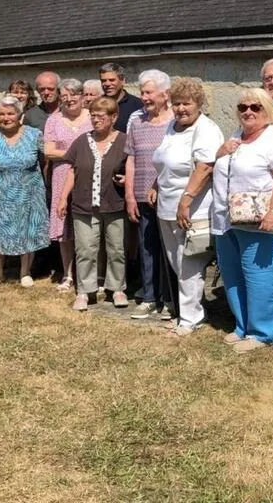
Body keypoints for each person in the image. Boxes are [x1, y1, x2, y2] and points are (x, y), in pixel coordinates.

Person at [211, 88, 273, 353]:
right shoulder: (236, 135)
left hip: (262, 223)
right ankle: (242, 326)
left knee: (261, 279)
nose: (248, 111)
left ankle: (262, 333)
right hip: (228, 220)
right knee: (234, 276)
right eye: (243, 107)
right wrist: (220, 151)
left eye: (255, 107)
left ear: (267, 110)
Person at [149, 77, 224, 337]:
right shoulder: (172, 126)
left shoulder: (206, 129)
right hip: (167, 206)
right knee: (176, 263)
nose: (181, 108)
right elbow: (165, 161)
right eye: (177, 103)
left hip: (192, 209)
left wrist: (186, 200)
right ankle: (187, 312)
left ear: (199, 103)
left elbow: (205, 166)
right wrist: (156, 185)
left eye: (187, 104)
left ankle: (190, 319)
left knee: (188, 265)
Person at [58, 97, 130, 310]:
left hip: (114, 204)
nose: (96, 120)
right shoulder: (82, 141)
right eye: (93, 116)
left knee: (116, 249)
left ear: (114, 117)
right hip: (84, 205)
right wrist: (63, 198)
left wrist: (126, 179)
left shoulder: (125, 140)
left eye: (101, 116)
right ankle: (84, 291)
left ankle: (116, 289)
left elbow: (133, 168)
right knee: (86, 250)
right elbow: (72, 170)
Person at [0, 96, 50, 288]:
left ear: (20, 116)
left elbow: (44, 161)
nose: (6, 118)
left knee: (27, 230)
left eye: (10, 113)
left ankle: (25, 272)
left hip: (29, 193)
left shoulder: (34, 135)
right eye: (2, 114)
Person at [126, 69, 175, 320]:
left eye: (148, 92)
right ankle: (148, 297)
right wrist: (130, 196)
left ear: (164, 94)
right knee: (147, 247)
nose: (143, 97)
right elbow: (131, 160)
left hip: (169, 195)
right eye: (142, 92)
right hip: (142, 195)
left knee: (169, 249)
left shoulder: (176, 122)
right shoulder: (136, 122)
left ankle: (169, 299)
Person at [43, 78, 93, 292]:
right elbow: (48, 151)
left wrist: (71, 154)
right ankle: (68, 274)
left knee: (90, 226)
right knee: (65, 228)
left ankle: (90, 275)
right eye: (65, 96)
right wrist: (76, 153)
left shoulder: (93, 116)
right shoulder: (54, 120)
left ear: (83, 96)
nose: (70, 99)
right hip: (62, 175)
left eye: (74, 94)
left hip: (90, 175)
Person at [99, 63, 144, 133]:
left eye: (112, 80)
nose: (107, 84)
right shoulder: (97, 104)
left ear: (123, 81)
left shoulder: (138, 105)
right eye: (103, 81)